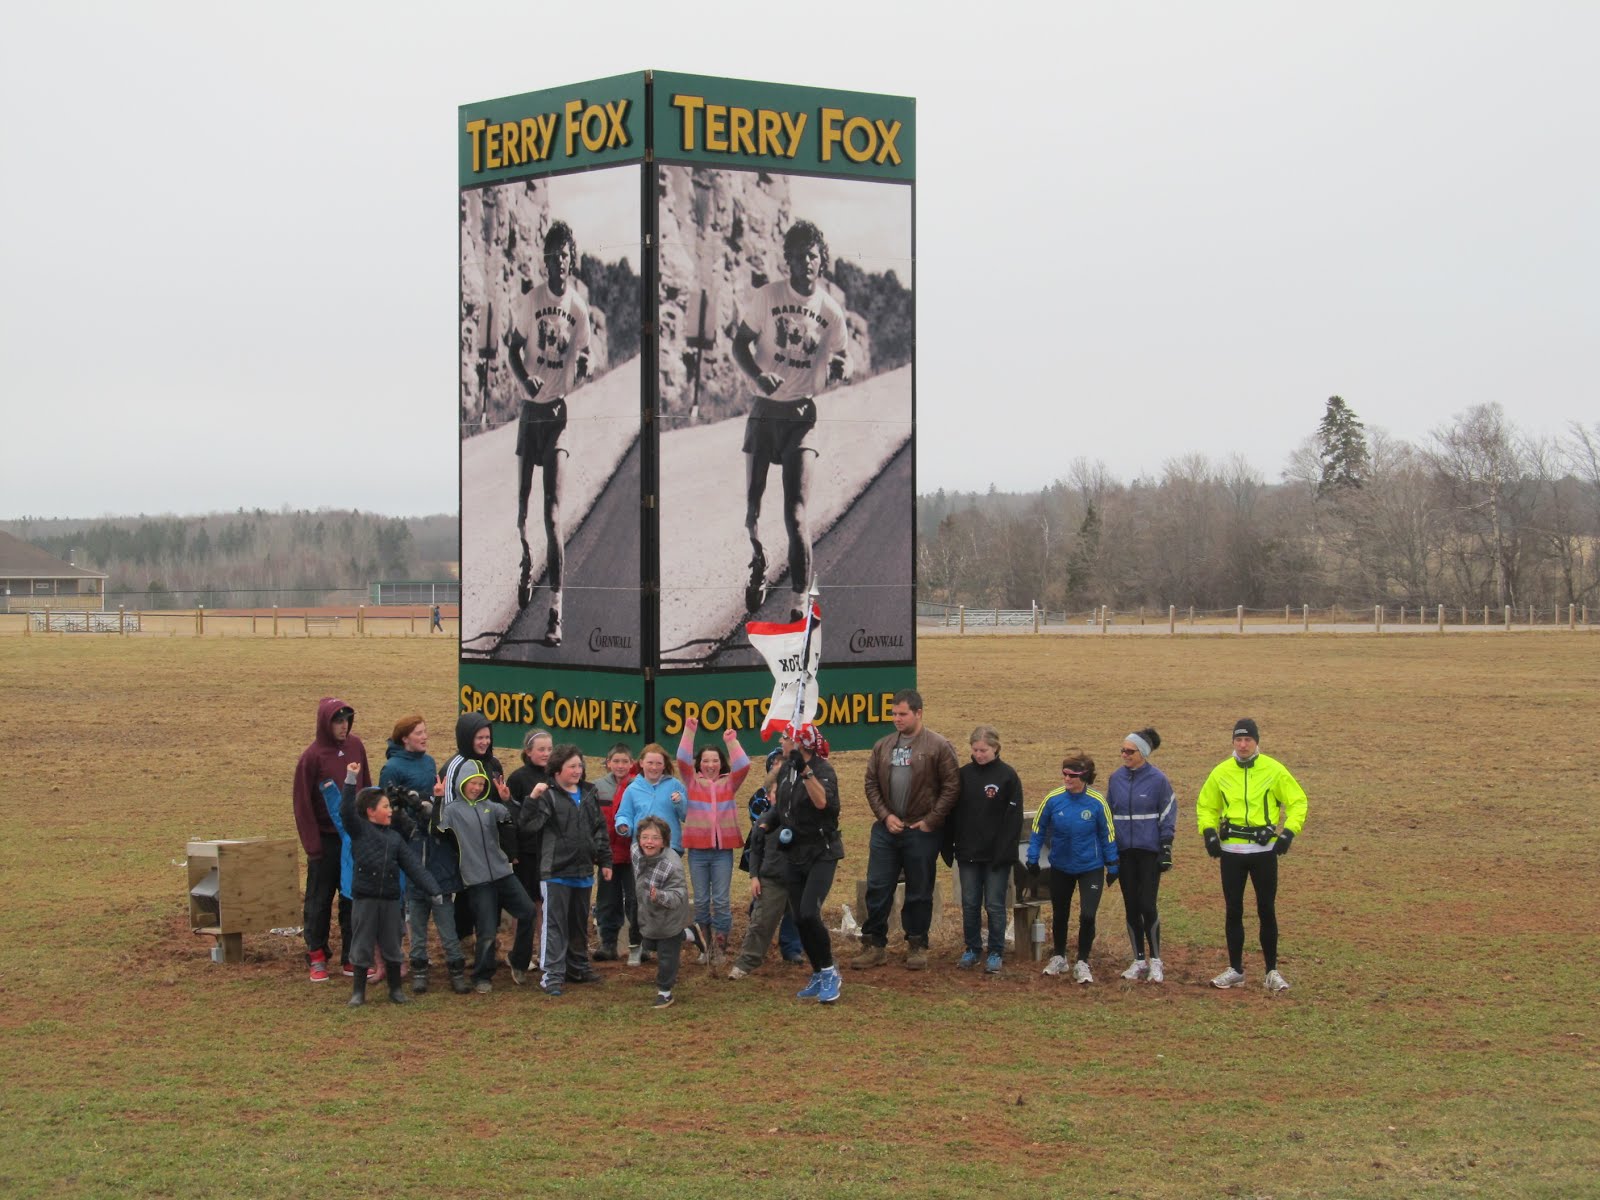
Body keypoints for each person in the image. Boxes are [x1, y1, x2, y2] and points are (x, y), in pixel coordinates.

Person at [732, 219, 851, 620]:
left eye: (811, 256)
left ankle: (800, 604)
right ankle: (759, 561)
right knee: (752, 511)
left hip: (802, 417)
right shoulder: (768, 296)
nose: (804, 263)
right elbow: (739, 344)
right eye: (797, 257)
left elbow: (844, 357)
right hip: (765, 413)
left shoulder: (831, 312)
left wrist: (842, 369)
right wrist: (756, 376)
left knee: (795, 513)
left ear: (821, 260)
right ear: (788, 261)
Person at [506, 219, 591, 647]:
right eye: (552, 255)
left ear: (571, 261)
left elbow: (584, 353)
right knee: (523, 513)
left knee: (553, 515)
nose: (558, 261)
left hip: (557, 416)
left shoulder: (578, 309)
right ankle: (526, 560)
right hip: (530, 415)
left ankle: (556, 611)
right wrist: (525, 381)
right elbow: (512, 349)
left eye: (564, 255)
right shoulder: (532, 301)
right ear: (545, 260)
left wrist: (586, 366)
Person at [1195, 717, 1308, 993]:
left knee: (1266, 909)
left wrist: (1288, 833)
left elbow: (1297, 801)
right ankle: (1235, 970)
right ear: (1233, 742)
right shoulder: (1221, 772)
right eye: (1239, 739)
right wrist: (1208, 832)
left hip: (1263, 852)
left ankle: (1271, 971)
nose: (1243, 745)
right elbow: (1206, 805)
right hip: (1231, 852)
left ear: (1257, 741)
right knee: (1233, 910)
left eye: (1248, 740)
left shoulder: (1274, 769)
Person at [855, 689, 960, 970]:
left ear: (918, 713)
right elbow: (871, 783)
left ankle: (917, 944)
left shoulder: (938, 746)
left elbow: (952, 787)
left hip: (921, 830)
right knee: (877, 887)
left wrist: (931, 821)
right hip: (886, 829)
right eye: (894, 714)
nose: (897, 719)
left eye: (903, 714)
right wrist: (885, 815)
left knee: (919, 890)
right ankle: (874, 945)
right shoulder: (883, 746)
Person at [438, 714, 534, 993]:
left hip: (499, 867)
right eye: (478, 737)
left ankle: (518, 960)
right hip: (473, 870)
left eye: (487, 737)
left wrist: (510, 848)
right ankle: (480, 972)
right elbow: (442, 825)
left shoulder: (492, 775)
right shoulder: (453, 775)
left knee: (526, 911)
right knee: (485, 926)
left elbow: (508, 818)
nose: (484, 742)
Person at [339, 764, 443, 1007]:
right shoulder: (359, 830)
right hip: (364, 899)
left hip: (390, 899)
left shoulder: (395, 839)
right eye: (385, 807)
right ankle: (358, 992)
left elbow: (414, 867)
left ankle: (395, 990)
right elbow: (345, 811)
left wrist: (434, 889)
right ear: (370, 811)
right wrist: (350, 779)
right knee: (362, 944)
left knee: (392, 945)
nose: (390, 811)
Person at [380, 715, 468, 995]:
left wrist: (430, 807)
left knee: (443, 913)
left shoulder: (429, 762)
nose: (425, 736)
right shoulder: (392, 767)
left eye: (425, 732)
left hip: (434, 840)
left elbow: (434, 797)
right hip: (412, 843)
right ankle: (419, 967)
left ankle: (454, 966)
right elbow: (387, 807)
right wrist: (408, 823)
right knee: (416, 911)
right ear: (405, 738)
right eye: (419, 733)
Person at [520, 744, 612, 997]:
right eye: (571, 766)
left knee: (579, 924)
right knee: (555, 925)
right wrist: (532, 799)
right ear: (557, 770)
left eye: (579, 765)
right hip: (556, 872)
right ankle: (552, 974)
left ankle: (578, 967)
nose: (577, 770)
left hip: (583, 871)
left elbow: (599, 828)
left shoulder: (589, 793)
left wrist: (605, 861)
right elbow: (528, 826)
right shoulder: (548, 796)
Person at [762, 722, 845, 1003]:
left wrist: (805, 771)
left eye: (786, 737)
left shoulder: (823, 770)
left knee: (810, 913)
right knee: (798, 918)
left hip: (821, 852)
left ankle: (830, 972)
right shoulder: (786, 769)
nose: (781, 741)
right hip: (793, 852)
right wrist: (767, 822)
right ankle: (818, 971)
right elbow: (783, 806)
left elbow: (822, 803)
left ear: (800, 743)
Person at [292, 697, 370, 983]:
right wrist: (313, 846)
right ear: (325, 723)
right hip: (325, 841)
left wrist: (368, 830)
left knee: (352, 898)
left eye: (346, 720)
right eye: (338, 721)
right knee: (319, 900)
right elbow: (302, 804)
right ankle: (317, 955)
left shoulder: (356, 746)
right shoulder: (311, 757)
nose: (343, 726)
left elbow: (365, 787)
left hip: (353, 837)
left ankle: (352, 957)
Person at [1027, 750, 1118, 984]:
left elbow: (1107, 833)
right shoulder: (1053, 798)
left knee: (1087, 914)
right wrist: (1032, 857)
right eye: (1064, 774)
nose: (1067, 779)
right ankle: (1059, 956)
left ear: (1084, 776)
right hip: (1061, 866)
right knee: (1060, 913)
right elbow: (1038, 828)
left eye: (1072, 775)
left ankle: (1083, 961)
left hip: (1090, 866)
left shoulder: (1097, 802)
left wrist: (1112, 864)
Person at [948, 725, 1024, 974]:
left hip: (996, 856)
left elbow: (1013, 819)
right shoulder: (963, 775)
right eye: (975, 750)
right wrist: (952, 846)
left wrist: (1004, 852)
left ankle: (995, 951)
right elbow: (952, 813)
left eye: (984, 750)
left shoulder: (1007, 776)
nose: (979, 755)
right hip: (968, 853)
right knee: (970, 903)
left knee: (994, 904)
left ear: (996, 748)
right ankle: (972, 948)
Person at [1105, 726, 1177, 984]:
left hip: (1149, 853)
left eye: (1130, 751)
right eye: (1123, 750)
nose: (1124, 755)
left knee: (1147, 904)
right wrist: (1110, 853)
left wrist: (1166, 847)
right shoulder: (1115, 779)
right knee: (1131, 906)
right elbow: (1109, 815)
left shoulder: (1158, 780)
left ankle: (1156, 960)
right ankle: (1138, 960)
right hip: (1125, 852)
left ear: (1143, 753)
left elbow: (1168, 813)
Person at [677, 717, 749, 965]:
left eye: (715, 760)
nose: (710, 765)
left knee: (720, 900)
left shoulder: (729, 783)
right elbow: (682, 759)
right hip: (697, 851)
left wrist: (731, 741)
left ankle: (720, 946)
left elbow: (744, 764)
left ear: (722, 763)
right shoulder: (691, 781)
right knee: (701, 901)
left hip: (722, 852)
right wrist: (689, 731)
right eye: (705, 761)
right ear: (699, 764)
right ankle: (704, 946)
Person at [729, 748, 806, 979]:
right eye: (774, 793)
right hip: (771, 878)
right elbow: (755, 850)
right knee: (761, 922)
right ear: (769, 796)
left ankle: (812, 959)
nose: (779, 796)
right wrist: (754, 877)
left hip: (799, 878)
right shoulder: (763, 820)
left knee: (806, 919)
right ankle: (746, 963)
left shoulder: (803, 817)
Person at [631, 816, 701, 1009]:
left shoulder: (672, 865)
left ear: (664, 842)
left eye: (655, 838)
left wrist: (660, 896)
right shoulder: (635, 851)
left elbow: (679, 895)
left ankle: (665, 992)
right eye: (645, 837)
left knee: (667, 954)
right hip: (649, 914)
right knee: (650, 943)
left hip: (671, 913)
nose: (649, 842)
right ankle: (690, 933)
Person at [505, 729, 553, 985]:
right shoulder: (518, 778)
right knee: (527, 904)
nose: (546, 754)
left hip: (550, 849)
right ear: (528, 752)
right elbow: (513, 817)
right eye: (541, 749)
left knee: (545, 903)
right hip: (526, 851)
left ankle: (545, 952)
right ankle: (521, 952)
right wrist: (513, 852)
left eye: (549, 749)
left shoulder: (555, 775)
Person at [592, 743, 640, 963]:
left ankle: (639, 944)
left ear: (632, 764)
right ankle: (608, 943)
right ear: (608, 763)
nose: (620, 766)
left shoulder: (638, 785)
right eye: (616, 761)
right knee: (607, 899)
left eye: (625, 761)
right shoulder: (597, 787)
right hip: (608, 854)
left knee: (635, 899)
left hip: (632, 853)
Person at [614, 743, 689, 853]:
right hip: (642, 847)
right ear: (641, 763)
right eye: (650, 763)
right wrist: (623, 824)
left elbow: (687, 816)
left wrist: (680, 801)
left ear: (664, 765)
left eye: (659, 763)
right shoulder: (632, 789)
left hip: (670, 846)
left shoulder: (675, 785)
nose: (654, 767)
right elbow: (624, 814)